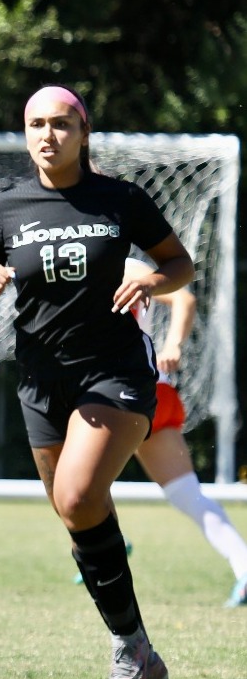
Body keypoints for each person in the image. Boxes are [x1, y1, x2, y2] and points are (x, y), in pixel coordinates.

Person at [0, 85, 195, 679]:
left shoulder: (118, 199)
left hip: (114, 371)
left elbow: (181, 264)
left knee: (78, 492)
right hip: (40, 380)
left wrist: (150, 278)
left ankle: (127, 650)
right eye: (36, 124)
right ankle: (137, 649)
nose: (48, 135)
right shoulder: (6, 207)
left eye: (61, 124)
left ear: (83, 131)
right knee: (77, 514)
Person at [111, 258, 247, 605]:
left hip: (122, 391)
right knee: (187, 494)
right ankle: (244, 568)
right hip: (146, 390)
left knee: (71, 478)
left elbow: (183, 298)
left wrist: (173, 345)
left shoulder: (120, 264)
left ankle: (102, 541)